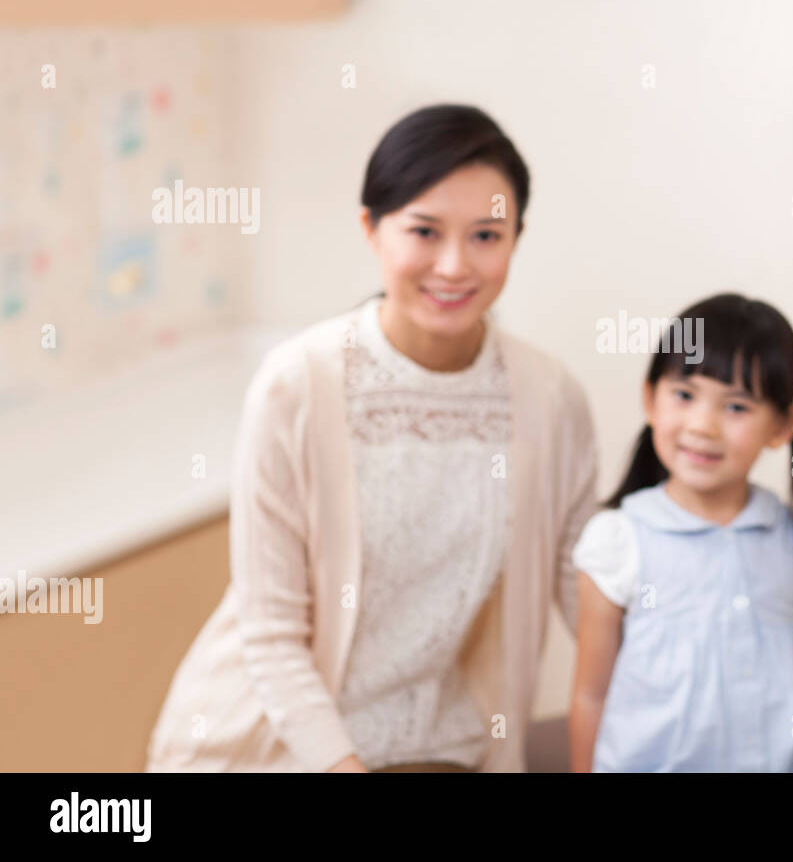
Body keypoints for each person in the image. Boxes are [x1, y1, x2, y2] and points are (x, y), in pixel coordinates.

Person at [146, 104, 599, 772]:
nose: (453, 266)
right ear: (371, 228)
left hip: (440, 745)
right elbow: (271, 637)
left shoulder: (548, 396)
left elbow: (588, 593)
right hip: (269, 744)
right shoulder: (296, 387)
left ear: (517, 238)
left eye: (486, 236)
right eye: (424, 231)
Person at [569, 294, 793, 772]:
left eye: (736, 406)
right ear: (649, 397)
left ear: (782, 425)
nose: (703, 425)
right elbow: (592, 695)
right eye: (684, 394)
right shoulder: (617, 542)